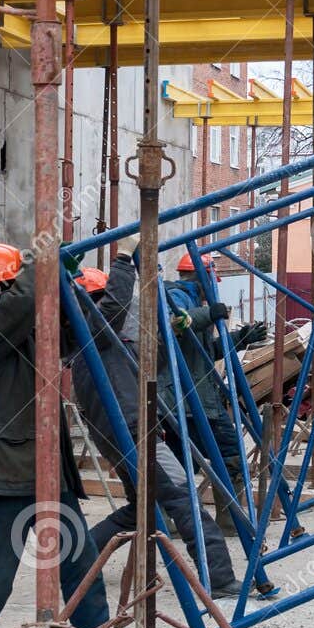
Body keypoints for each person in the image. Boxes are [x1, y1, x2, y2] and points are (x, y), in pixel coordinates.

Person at [0, 244, 129, 628]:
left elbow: (97, 331)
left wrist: (94, 279)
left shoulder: (33, 328)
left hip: (47, 463)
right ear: (5, 283)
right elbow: (19, 306)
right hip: (2, 468)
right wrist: (41, 263)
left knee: (78, 557)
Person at [67, 251, 242, 596]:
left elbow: (155, 363)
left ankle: (76, 560)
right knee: (184, 498)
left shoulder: (103, 346)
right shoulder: (93, 335)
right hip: (133, 433)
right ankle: (220, 578)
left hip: (129, 431)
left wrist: (162, 334)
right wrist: (123, 259)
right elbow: (114, 306)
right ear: (91, 304)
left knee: (142, 510)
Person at [165, 253, 246, 533]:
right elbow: (173, 326)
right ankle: (230, 520)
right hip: (192, 400)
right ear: (201, 278)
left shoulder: (190, 300)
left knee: (178, 461)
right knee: (230, 452)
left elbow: (203, 353)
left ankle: (169, 520)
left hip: (184, 398)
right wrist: (208, 313)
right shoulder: (176, 297)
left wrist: (239, 339)